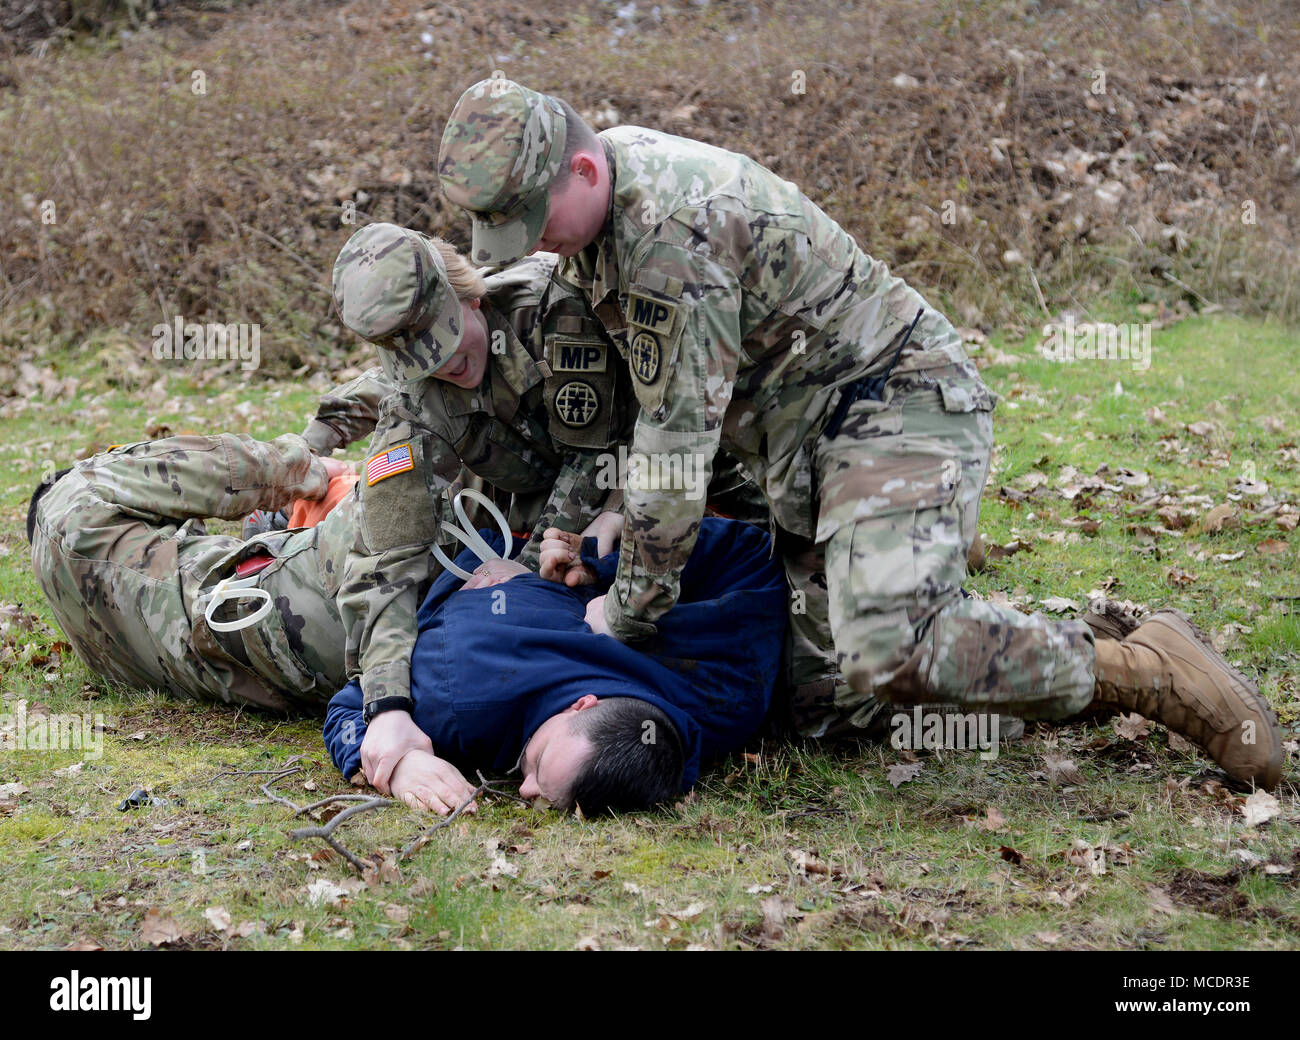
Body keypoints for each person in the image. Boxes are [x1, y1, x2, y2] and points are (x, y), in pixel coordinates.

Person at [434, 78, 1283, 789]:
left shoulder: (671, 233)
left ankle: (1156, 672)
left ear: (580, 168)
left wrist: (625, 611)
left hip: (894, 406)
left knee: (891, 650)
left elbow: (674, 446)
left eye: (532, 221)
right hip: (805, 448)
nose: (531, 247)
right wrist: (598, 513)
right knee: (829, 711)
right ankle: (1054, 639)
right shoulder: (604, 188)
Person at [330, 223, 769, 797]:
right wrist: (388, 706)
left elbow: (670, 417)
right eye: (418, 358)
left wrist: (591, 535)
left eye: (445, 337)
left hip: (658, 488)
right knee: (336, 580)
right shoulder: (410, 402)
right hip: (517, 540)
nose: (442, 365)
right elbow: (388, 559)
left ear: (469, 294)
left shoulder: (565, 305)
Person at [323, 515, 787, 814]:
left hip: (514, 546)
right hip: (415, 567)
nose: (524, 791)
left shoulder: (713, 716)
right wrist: (622, 589)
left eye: (546, 795)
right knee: (269, 631)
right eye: (539, 766)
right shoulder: (460, 700)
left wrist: (405, 763)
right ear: (582, 705)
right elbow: (349, 704)